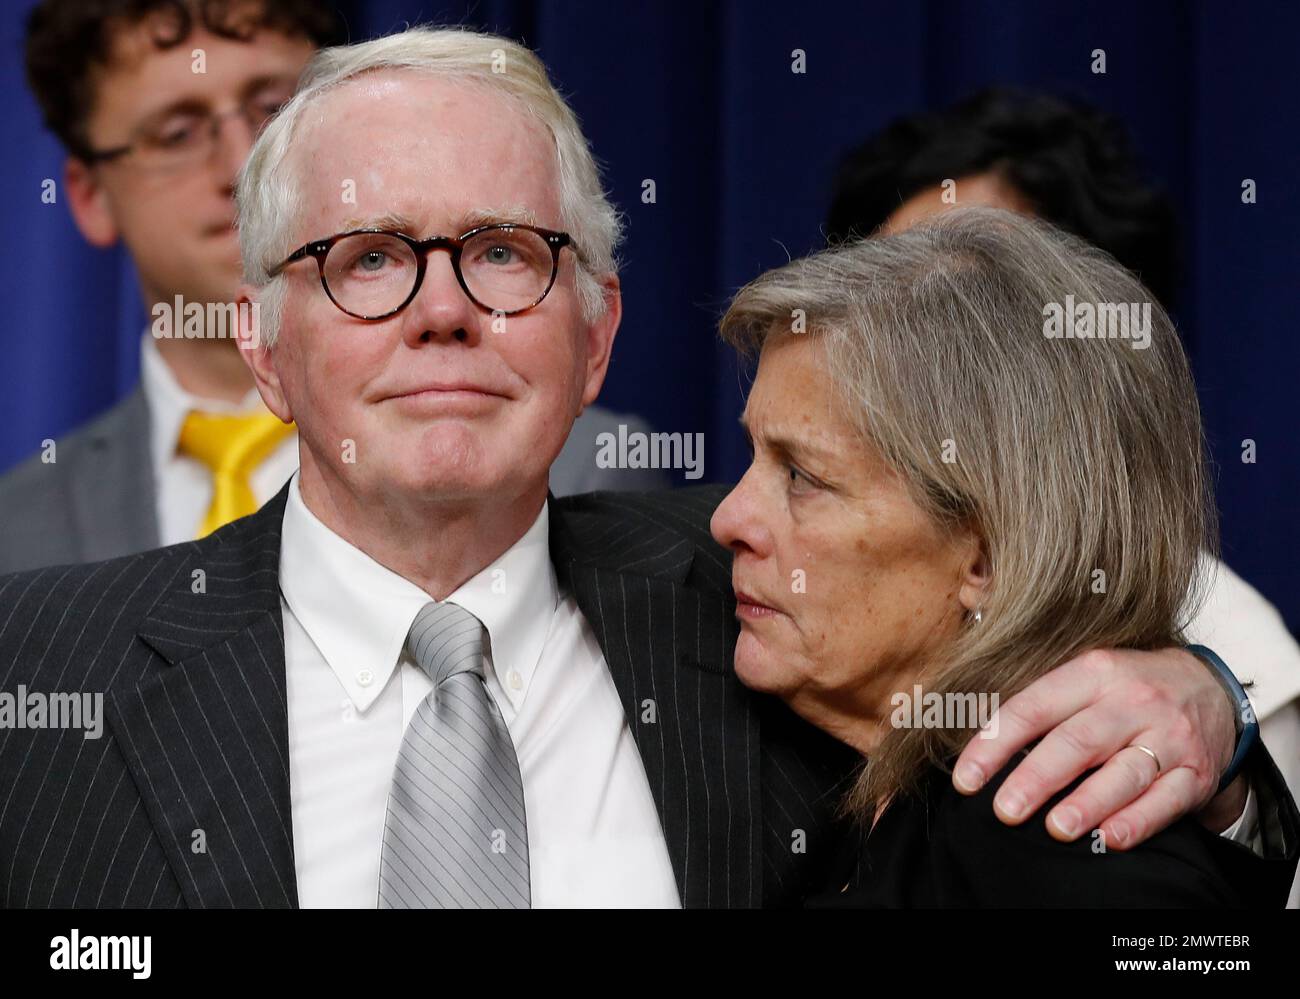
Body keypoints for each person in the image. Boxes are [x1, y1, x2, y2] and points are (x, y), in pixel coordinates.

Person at [0, 27, 1280, 909]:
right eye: (369, 257)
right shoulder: (33, 676)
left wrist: (1210, 710)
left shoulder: (791, 614)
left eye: (503, 252)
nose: (441, 311)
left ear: (599, 329)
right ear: (265, 348)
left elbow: (1067, 631)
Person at [710, 206, 1298, 906]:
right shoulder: (917, 796)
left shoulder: (1052, 837)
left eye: (803, 476)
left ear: (984, 557)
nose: (726, 519)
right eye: (753, 457)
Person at [0, 0, 664, 578]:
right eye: (177, 132)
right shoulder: (19, 524)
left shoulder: (588, 467)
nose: (240, 165)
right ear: (86, 194)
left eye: (273, 108)